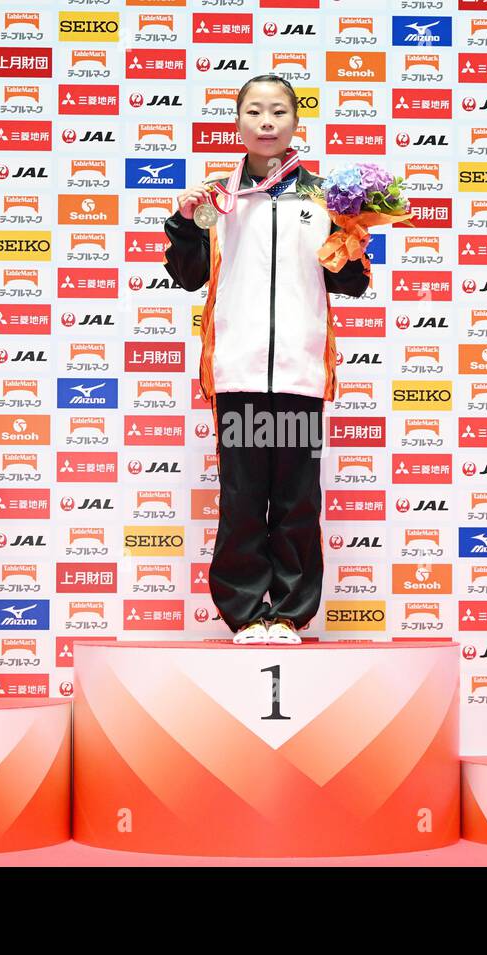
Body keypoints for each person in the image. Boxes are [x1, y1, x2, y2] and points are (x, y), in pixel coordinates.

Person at [163, 74, 370, 644]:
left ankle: (289, 614)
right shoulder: (218, 200)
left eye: (278, 111)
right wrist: (183, 222)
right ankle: (246, 612)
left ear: (296, 122)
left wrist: (354, 232)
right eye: (254, 111)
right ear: (237, 122)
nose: (266, 121)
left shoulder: (325, 197)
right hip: (239, 372)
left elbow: (351, 282)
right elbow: (187, 276)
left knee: (299, 501)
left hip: (301, 374)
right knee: (244, 498)